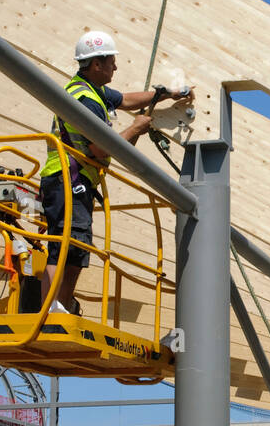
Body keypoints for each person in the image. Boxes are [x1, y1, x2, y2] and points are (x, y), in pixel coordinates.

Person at [38, 29, 191, 313]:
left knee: (74, 245)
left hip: (71, 179)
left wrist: (167, 94)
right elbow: (99, 148)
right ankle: (52, 309)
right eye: (111, 62)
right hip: (69, 178)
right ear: (97, 65)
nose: (115, 67)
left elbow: (126, 100)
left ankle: (58, 306)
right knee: (68, 245)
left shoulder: (92, 89)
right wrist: (135, 128)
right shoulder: (85, 99)